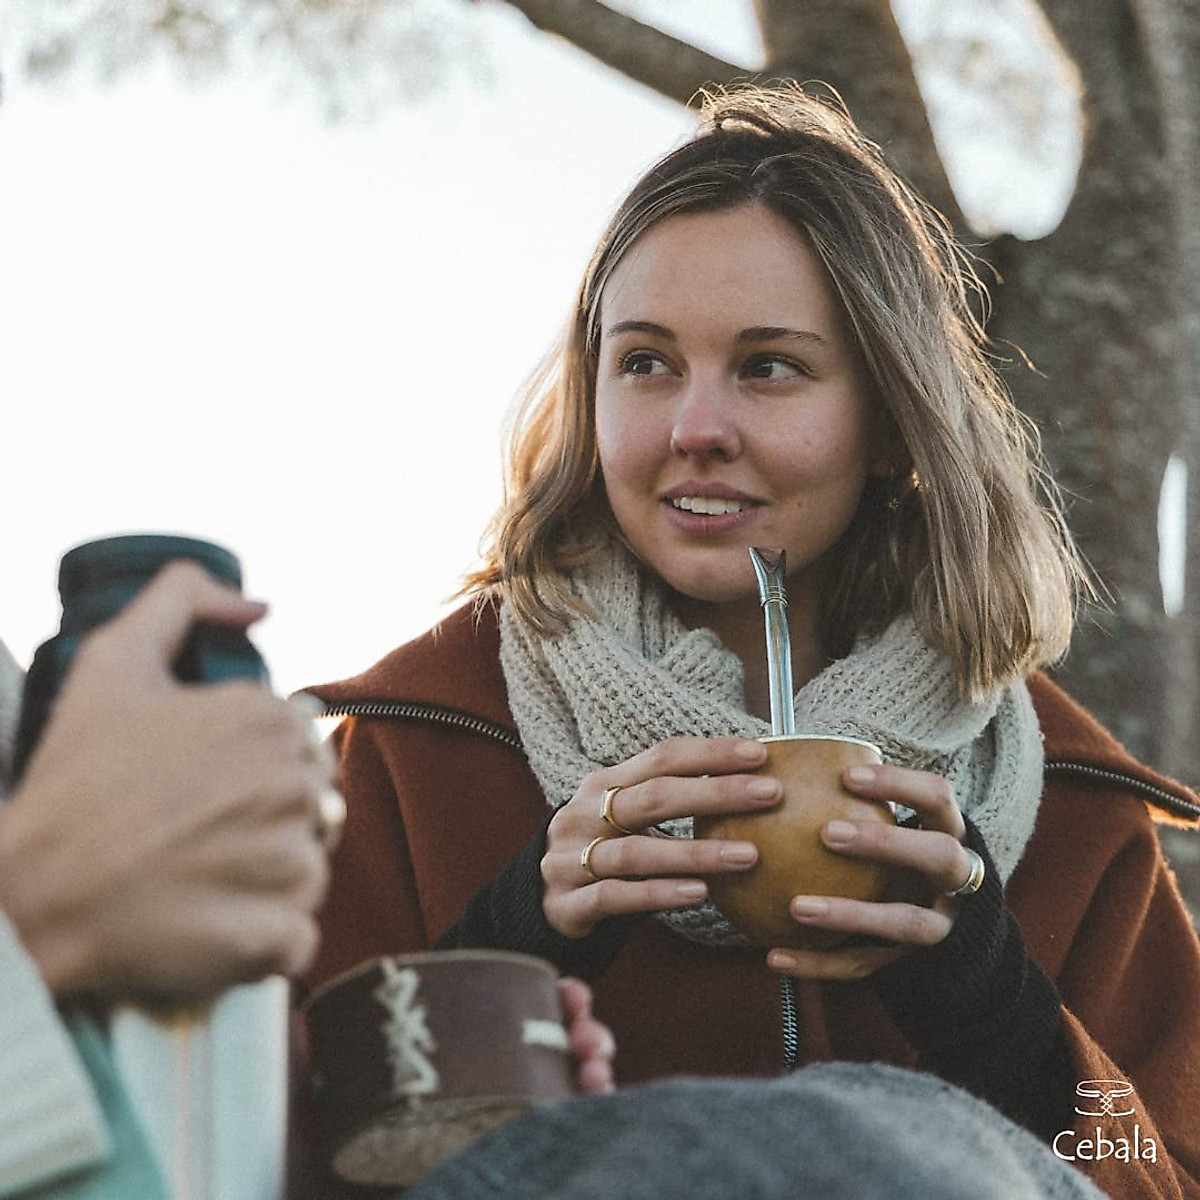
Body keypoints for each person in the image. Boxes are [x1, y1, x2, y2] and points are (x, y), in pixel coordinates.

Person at [303, 84, 1200, 1198]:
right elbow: (281, 1165)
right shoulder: (419, 746)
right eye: (644, 362)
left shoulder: (1075, 806)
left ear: (890, 423)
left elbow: (1156, 1178)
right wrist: (517, 939)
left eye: (770, 366)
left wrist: (986, 1000)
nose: (696, 429)